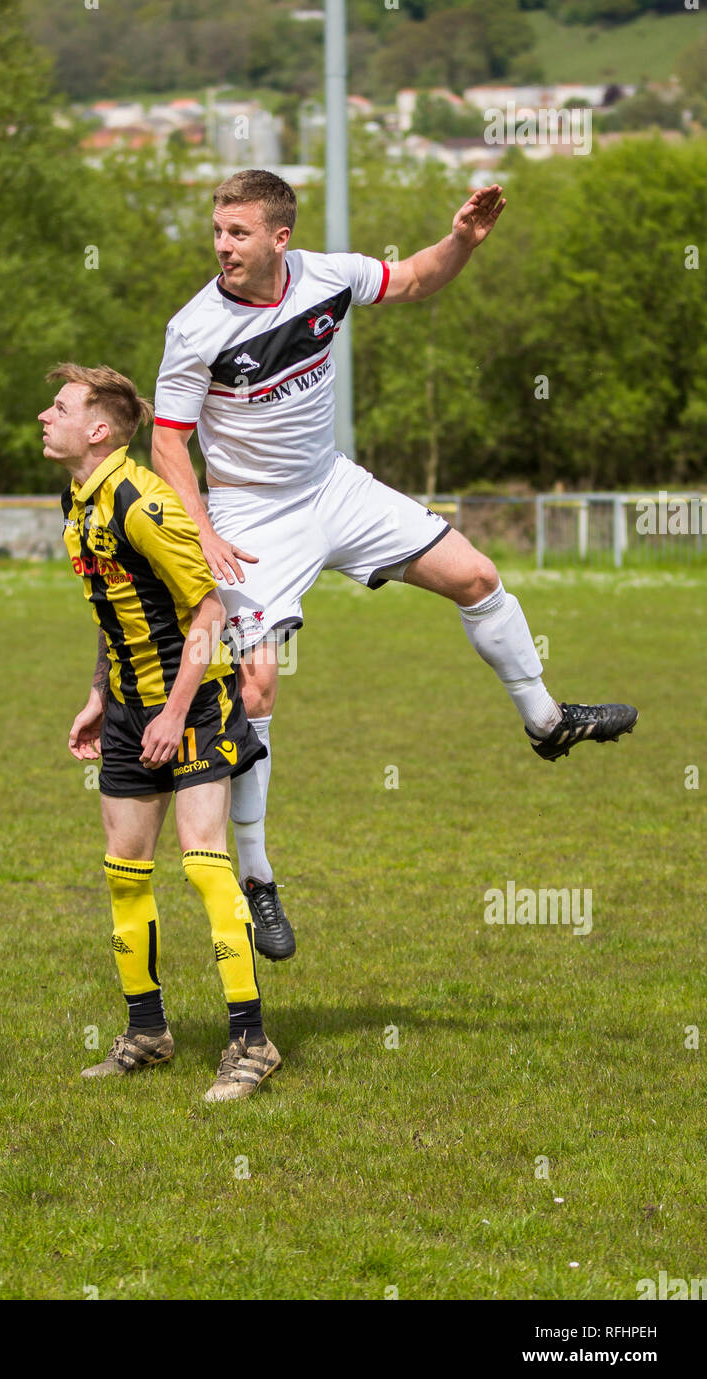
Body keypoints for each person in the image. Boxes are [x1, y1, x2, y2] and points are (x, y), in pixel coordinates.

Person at [151, 168, 637, 961]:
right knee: (260, 682)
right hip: (246, 514)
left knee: (477, 576)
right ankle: (259, 876)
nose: (221, 247)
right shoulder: (195, 326)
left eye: (237, 234)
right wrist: (202, 529)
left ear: (280, 237)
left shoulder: (328, 277)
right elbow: (167, 440)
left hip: (333, 486)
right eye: (216, 232)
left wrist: (463, 241)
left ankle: (548, 722)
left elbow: (413, 279)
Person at [39, 362, 282, 1103]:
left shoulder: (142, 500)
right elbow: (116, 610)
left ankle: (251, 1042)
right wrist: (95, 695)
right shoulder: (76, 500)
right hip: (126, 711)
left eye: (60, 406)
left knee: (205, 866)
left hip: (194, 706)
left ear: (99, 428)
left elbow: (208, 611)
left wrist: (175, 713)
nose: (45, 416)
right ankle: (147, 1032)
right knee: (124, 871)